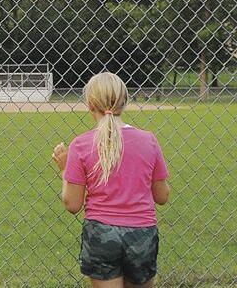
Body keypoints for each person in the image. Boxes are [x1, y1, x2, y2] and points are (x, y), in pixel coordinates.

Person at [53, 72, 170, 288]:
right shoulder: (148, 141)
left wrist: (64, 169)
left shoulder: (80, 145)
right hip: (142, 234)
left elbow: (72, 204)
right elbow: (162, 196)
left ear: (90, 104)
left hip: (101, 234)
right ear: (124, 102)